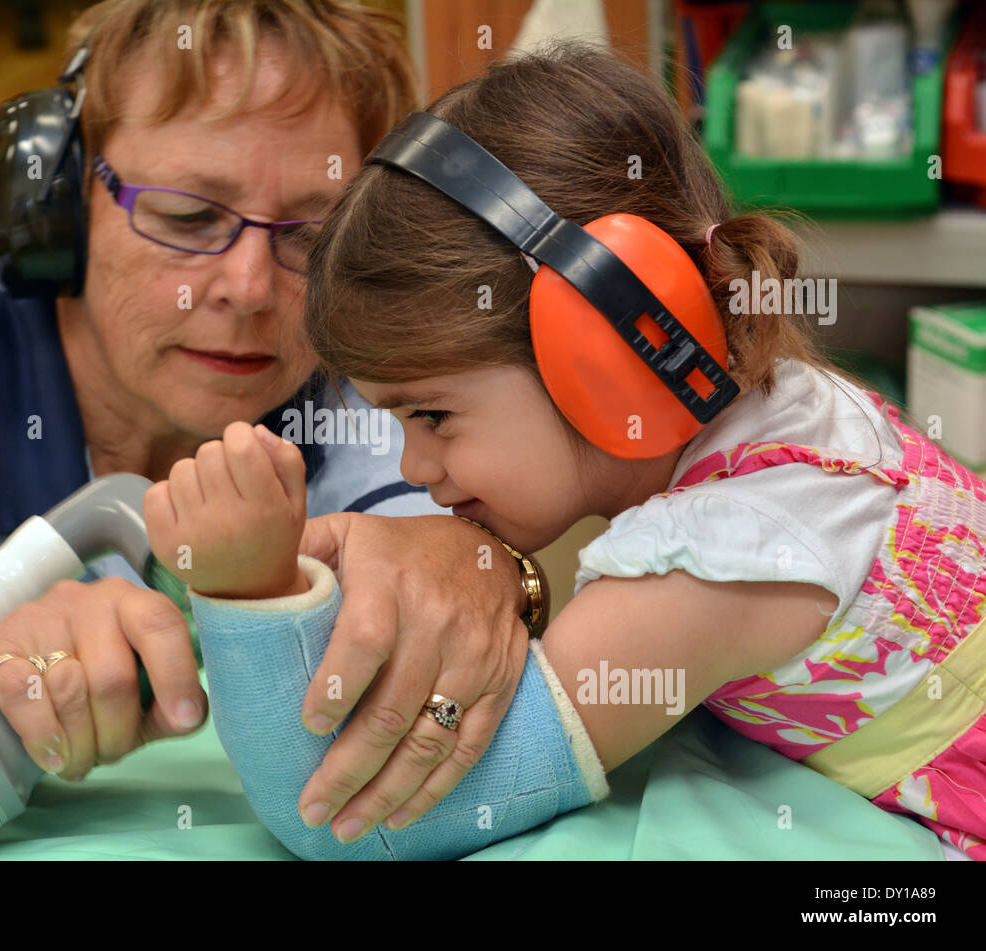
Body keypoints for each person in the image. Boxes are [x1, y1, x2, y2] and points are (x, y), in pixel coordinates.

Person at [0, 0, 542, 848]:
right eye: (187, 217)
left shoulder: (380, 408)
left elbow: (474, 700)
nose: (247, 289)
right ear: (55, 203)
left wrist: (495, 570)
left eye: (311, 234)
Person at [144, 43, 986, 860]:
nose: (411, 467)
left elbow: (364, 825)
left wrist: (242, 592)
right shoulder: (793, 408)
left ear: (607, 352)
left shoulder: (717, 558)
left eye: (432, 413)